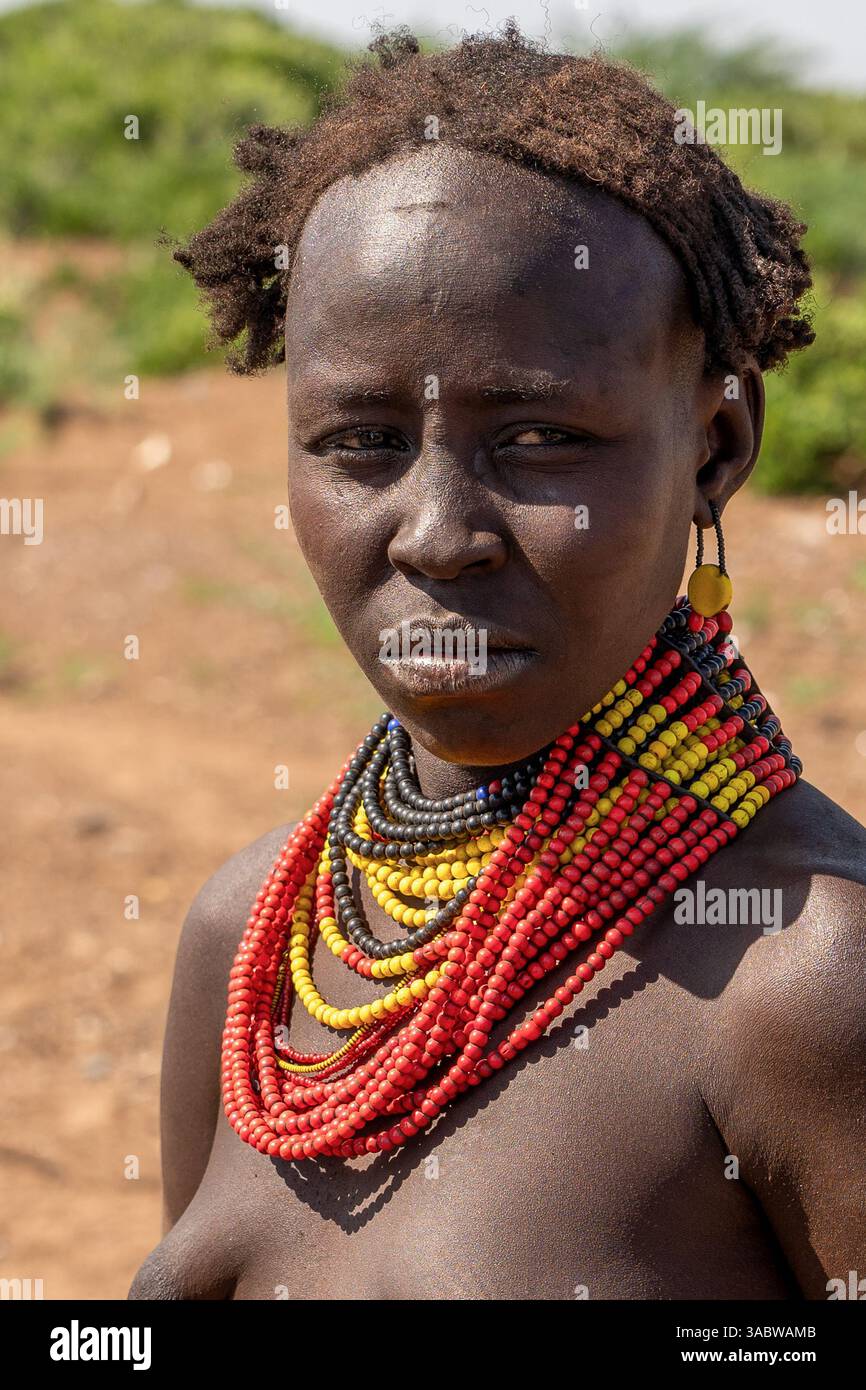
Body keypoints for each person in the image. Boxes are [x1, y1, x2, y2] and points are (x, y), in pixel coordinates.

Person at [129, 26, 866, 1300]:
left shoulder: (803, 981)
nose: (435, 535)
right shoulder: (249, 939)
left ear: (714, 449)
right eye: (357, 440)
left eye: (536, 436)